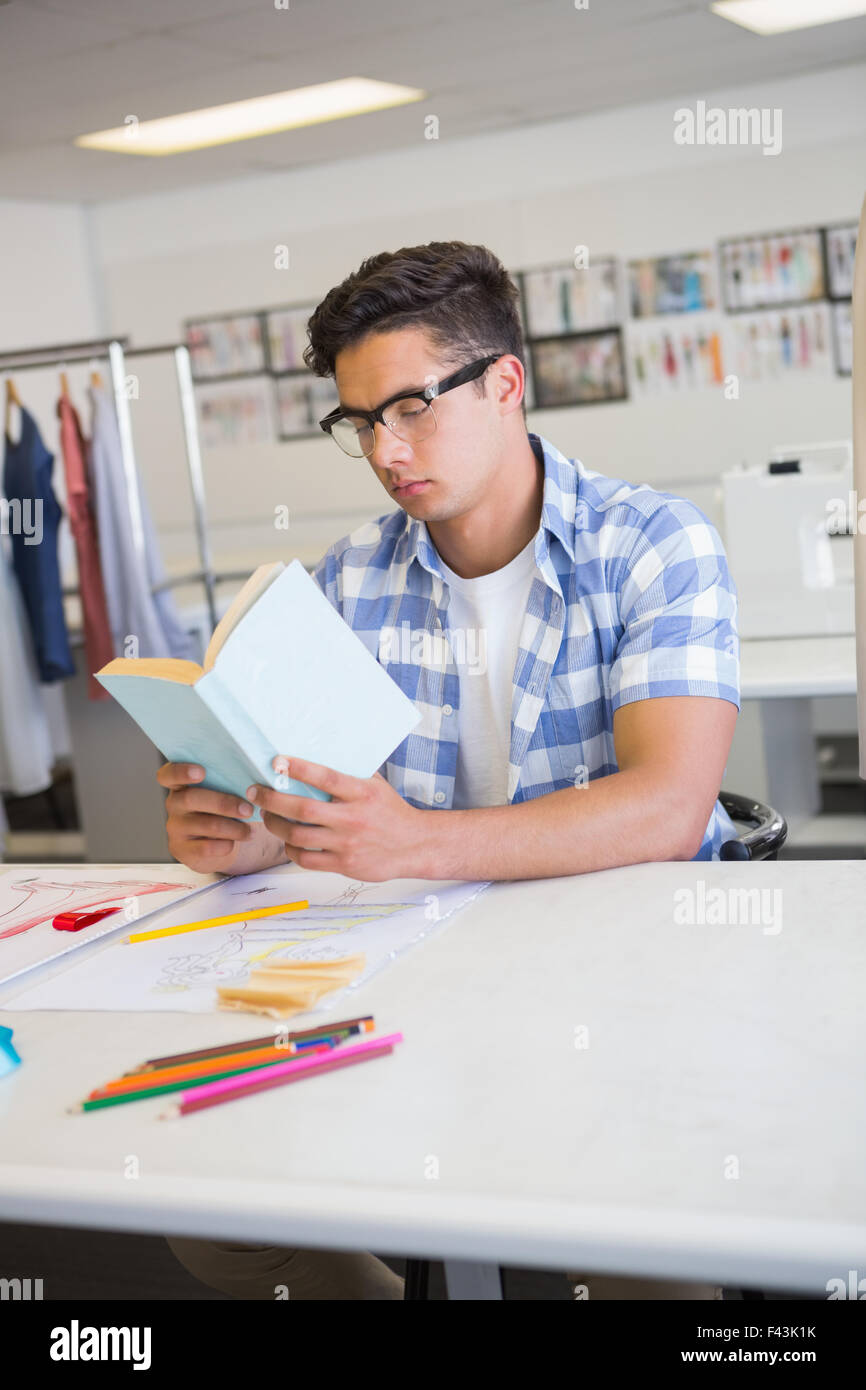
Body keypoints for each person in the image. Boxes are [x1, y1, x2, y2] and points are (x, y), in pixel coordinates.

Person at [162, 241, 739, 1300]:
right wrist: (243, 832)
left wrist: (414, 841)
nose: (385, 447)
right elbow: (311, 802)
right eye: (358, 419)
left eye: (411, 406)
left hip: (627, 998)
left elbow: (666, 807)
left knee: (639, 1268)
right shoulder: (346, 581)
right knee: (212, 1216)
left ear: (505, 382)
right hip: (417, 994)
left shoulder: (654, 544)